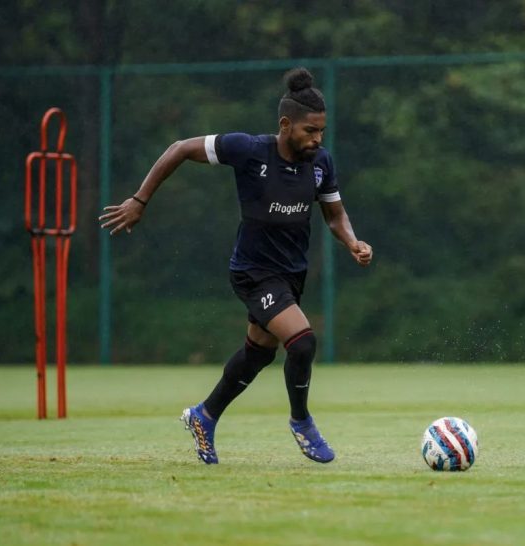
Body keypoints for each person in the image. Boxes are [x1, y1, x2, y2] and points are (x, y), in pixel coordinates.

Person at [99, 68, 372, 464]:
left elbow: (334, 214)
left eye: (322, 131)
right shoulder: (249, 150)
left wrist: (353, 242)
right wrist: (140, 201)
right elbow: (179, 148)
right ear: (285, 125)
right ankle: (301, 421)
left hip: (290, 275)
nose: (317, 139)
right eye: (310, 131)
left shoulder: (320, 163)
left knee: (259, 353)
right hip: (253, 273)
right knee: (302, 341)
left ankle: (204, 415)